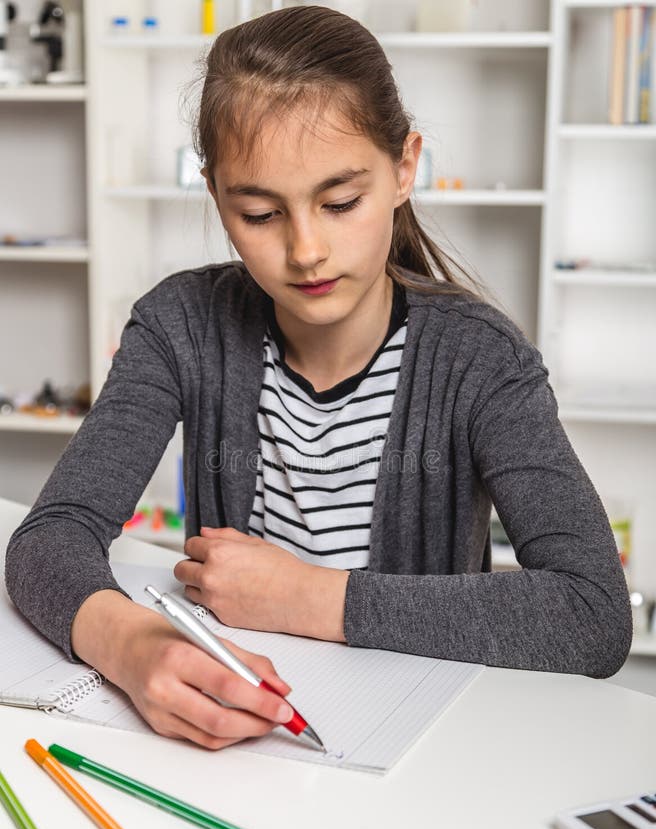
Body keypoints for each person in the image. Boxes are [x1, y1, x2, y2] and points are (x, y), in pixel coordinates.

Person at [5, 6, 631, 751]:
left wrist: (309, 597)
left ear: (404, 168)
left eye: (340, 203)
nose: (306, 250)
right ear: (217, 197)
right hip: (237, 747)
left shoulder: (481, 360)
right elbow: (49, 538)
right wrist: (129, 645)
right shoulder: (180, 326)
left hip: (416, 752)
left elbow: (593, 613)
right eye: (262, 212)